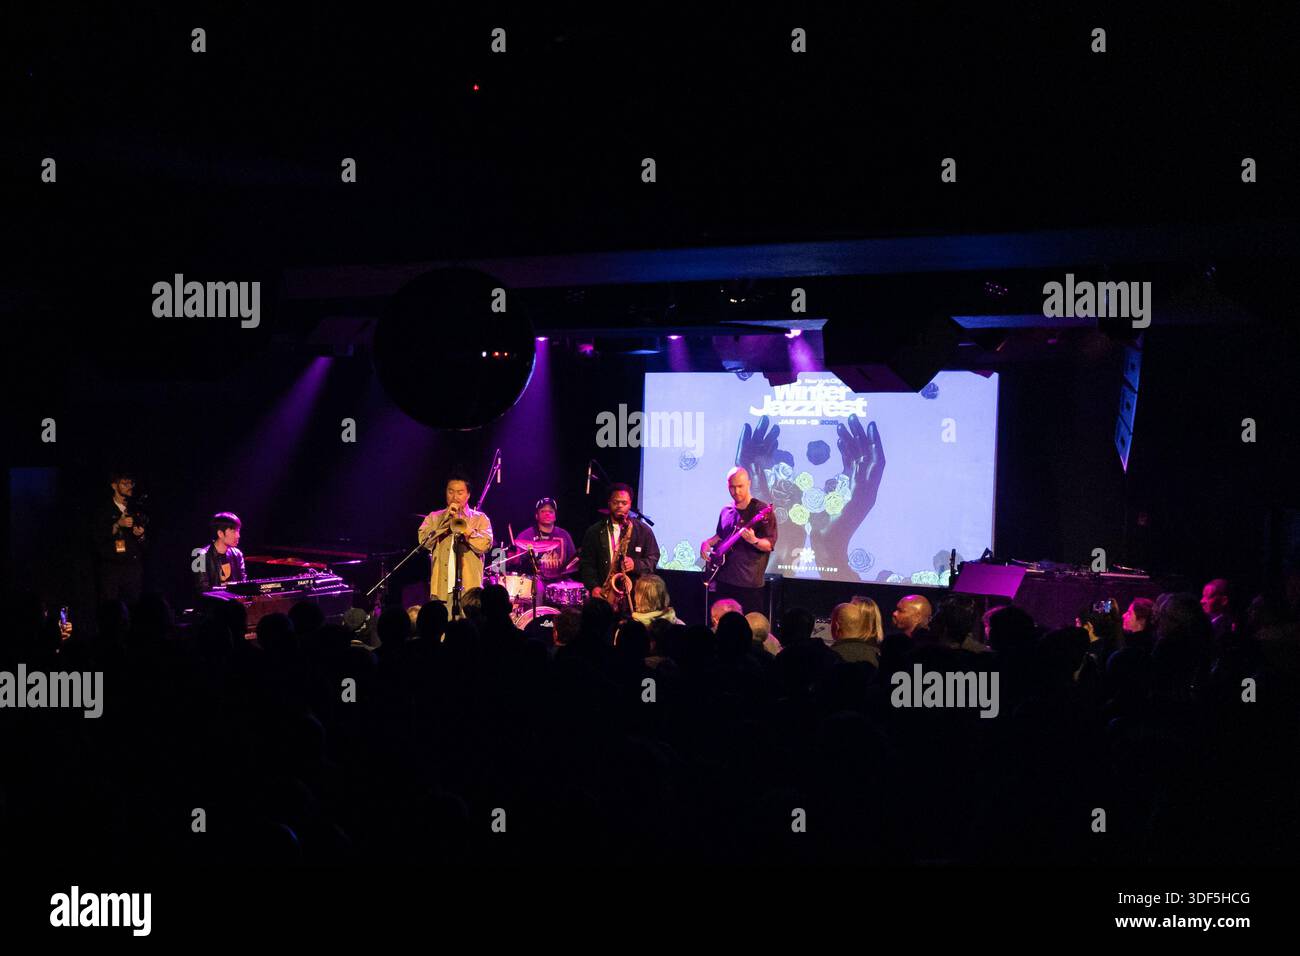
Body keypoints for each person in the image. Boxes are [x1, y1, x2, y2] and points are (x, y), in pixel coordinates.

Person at [700, 466, 777, 615]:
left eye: (740, 486)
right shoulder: (726, 510)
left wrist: (754, 540)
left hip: (749, 585)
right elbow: (720, 536)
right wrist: (707, 543)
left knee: (748, 629)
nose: (736, 491)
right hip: (723, 581)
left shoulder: (761, 511)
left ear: (748, 483)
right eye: (732, 487)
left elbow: (769, 545)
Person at [418, 476, 494, 614]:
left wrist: (467, 530)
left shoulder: (480, 519)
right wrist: (445, 520)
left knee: (468, 632)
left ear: (468, 495)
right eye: (450, 491)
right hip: (441, 590)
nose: (455, 496)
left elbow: (485, 546)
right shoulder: (434, 517)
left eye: (460, 492)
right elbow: (424, 542)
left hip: (469, 592)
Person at [578, 483, 660, 600]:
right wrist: (593, 587)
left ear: (630, 504)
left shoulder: (644, 531)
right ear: (609, 503)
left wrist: (635, 564)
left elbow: (653, 559)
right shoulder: (594, 531)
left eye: (624, 503)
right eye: (616, 502)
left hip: (634, 596)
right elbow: (586, 564)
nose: (620, 506)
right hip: (604, 595)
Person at [94, 469, 148, 604]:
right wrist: (118, 524)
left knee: (134, 606)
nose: (129, 486)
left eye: (131, 483)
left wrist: (141, 535)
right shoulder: (104, 510)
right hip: (111, 569)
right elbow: (97, 537)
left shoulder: (137, 509)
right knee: (111, 607)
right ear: (114, 486)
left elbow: (146, 543)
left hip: (132, 568)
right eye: (125, 483)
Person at [512, 497, 577, 582]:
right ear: (536, 515)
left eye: (551, 511)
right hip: (535, 583)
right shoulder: (526, 536)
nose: (547, 514)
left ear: (555, 517)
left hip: (560, 584)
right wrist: (513, 558)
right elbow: (516, 561)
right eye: (543, 511)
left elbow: (574, 562)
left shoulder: (564, 535)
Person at [195, 512, 247, 592]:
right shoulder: (201, 556)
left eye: (238, 530)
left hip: (235, 602)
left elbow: (243, 583)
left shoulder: (237, 554)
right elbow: (202, 588)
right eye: (234, 531)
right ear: (220, 533)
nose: (238, 535)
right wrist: (230, 589)